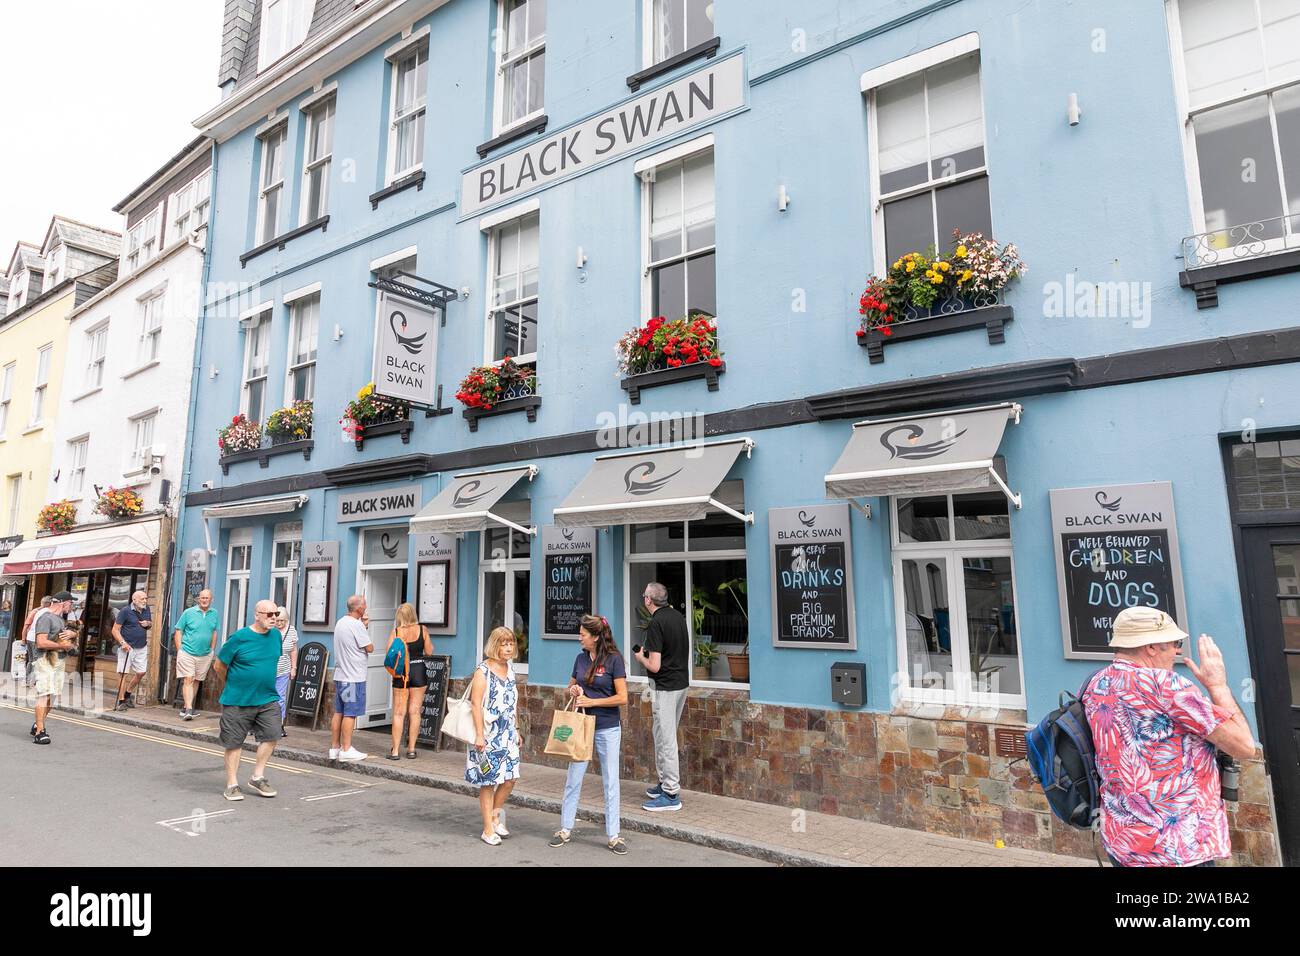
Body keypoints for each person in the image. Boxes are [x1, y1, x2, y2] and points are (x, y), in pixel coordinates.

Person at [1082, 607, 1257, 867]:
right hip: (1175, 848)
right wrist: (1217, 685)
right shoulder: (1168, 686)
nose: (1177, 651)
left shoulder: (1096, 683)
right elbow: (1243, 746)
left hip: (1123, 840)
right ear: (1152, 647)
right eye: (1175, 643)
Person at [550, 614, 629, 854]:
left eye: (583, 634)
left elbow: (622, 698)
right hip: (582, 726)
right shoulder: (580, 658)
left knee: (610, 780)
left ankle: (614, 835)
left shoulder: (614, 660)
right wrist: (573, 689)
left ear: (595, 637)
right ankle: (565, 828)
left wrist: (593, 702)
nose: (579, 638)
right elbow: (570, 686)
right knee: (574, 778)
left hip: (607, 727)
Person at [212, 600, 284, 801]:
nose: (273, 618)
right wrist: (234, 684)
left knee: (272, 735)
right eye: (268, 614)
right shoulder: (240, 637)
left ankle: (257, 776)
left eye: (275, 614)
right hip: (237, 699)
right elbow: (219, 665)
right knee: (234, 743)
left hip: (267, 697)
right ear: (257, 615)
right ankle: (232, 784)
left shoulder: (276, 636)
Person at [633, 581, 689, 811]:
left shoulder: (656, 623)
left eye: (644, 596)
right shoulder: (677, 616)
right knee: (662, 733)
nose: (643, 599)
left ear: (648, 600)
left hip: (665, 686)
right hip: (680, 684)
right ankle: (664, 782)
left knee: (666, 739)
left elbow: (654, 666)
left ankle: (671, 794)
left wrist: (640, 658)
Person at [467, 626, 521, 846]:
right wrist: (480, 735)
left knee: (510, 778)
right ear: (494, 645)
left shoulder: (510, 670)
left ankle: (495, 815)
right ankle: (488, 829)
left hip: (507, 733)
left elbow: (512, 703)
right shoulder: (483, 671)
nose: (508, 648)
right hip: (488, 734)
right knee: (488, 781)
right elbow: (476, 705)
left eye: (511, 644)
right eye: (504, 643)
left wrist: (516, 730)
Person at [329, 595, 373, 763]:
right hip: (353, 677)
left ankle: (335, 748)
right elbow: (369, 647)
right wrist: (364, 627)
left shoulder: (341, 622)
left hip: (341, 675)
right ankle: (346, 749)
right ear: (359, 609)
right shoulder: (357, 625)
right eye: (364, 606)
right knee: (350, 714)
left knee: (339, 712)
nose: (366, 608)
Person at [387, 602, 432, 760]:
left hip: (402, 673)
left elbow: (389, 655)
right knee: (415, 711)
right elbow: (429, 651)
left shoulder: (396, 632)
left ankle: (395, 751)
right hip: (419, 669)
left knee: (399, 713)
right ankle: (412, 749)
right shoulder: (423, 630)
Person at [31, 592, 76, 745]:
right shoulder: (46, 618)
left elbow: (63, 639)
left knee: (53, 695)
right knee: (44, 694)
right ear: (62, 602)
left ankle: (38, 723)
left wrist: (72, 634)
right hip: (45, 660)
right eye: (71, 603)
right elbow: (40, 642)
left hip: (59, 661)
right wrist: (61, 645)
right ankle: (40, 732)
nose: (72, 606)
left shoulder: (61, 620)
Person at [173, 589, 219, 720]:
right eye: (202, 598)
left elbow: (214, 632)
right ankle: (188, 709)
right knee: (188, 678)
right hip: (187, 651)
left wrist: (212, 650)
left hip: (205, 654)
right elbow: (178, 630)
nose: (204, 600)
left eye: (207, 598)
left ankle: (187, 706)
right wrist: (180, 649)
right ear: (198, 599)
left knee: (197, 680)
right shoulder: (188, 612)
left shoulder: (214, 614)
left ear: (211, 600)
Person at [112, 590, 153, 711]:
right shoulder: (125, 611)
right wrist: (123, 643)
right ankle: (121, 701)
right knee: (123, 673)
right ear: (134, 600)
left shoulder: (147, 609)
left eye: (146, 598)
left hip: (141, 647)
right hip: (127, 647)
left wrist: (148, 624)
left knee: (141, 672)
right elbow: (115, 630)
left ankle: (128, 693)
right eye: (142, 599)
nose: (145, 601)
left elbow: (149, 625)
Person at [19, 595, 54, 688]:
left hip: (30, 638)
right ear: (48, 603)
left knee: (32, 660)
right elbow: (26, 625)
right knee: (36, 660)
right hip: (35, 639)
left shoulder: (37, 611)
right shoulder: (41, 612)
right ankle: (33, 682)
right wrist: (23, 639)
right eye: (51, 603)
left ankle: (27, 681)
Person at [274, 606, 299, 736]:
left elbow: (293, 650)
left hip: (283, 670)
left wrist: (293, 668)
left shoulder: (292, 631)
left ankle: (279, 725)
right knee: (263, 698)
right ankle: (257, 725)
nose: (279, 623)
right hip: (267, 670)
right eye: (277, 620)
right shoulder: (270, 629)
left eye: (282, 621)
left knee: (280, 698)